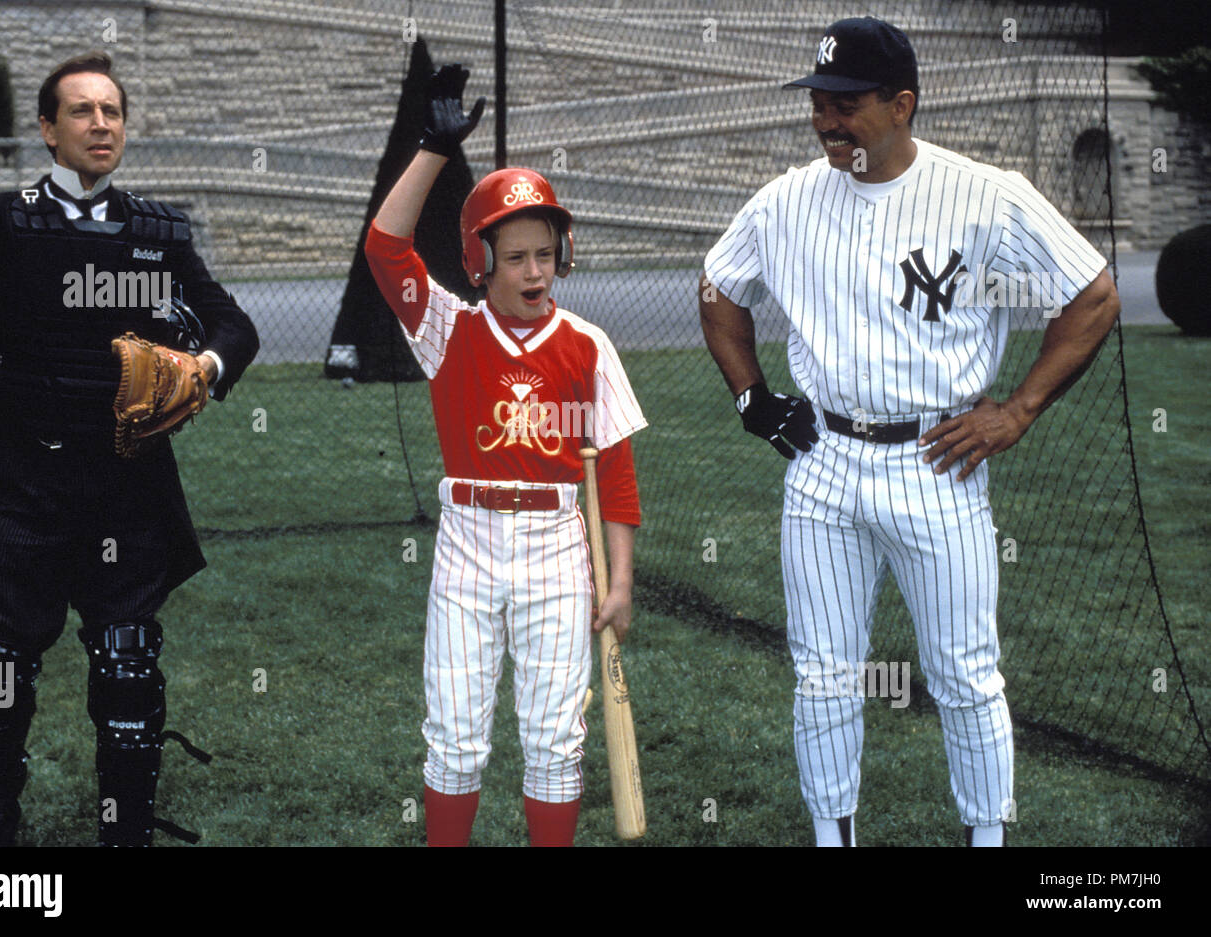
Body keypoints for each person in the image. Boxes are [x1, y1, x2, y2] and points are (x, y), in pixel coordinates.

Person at [698, 17, 1120, 846]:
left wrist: (1019, 409)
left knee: (964, 675)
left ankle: (987, 839)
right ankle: (832, 835)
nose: (825, 118)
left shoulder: (985, 195)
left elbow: (1095, 294)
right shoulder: (786, 201)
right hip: (821, 460)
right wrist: (752, 397)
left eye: (845, 103)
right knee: (823, 675)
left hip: (937, 462)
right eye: (818, 100)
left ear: (902, 104)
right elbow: (718, 288)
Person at [0, 51, 260, 846]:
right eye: (81, 111)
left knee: (129, 658)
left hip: (123, 475)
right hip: (10, 471)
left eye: (112, 111)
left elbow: (235, 325)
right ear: (47, 129)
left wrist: (200, 366)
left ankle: (125, 827)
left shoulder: (156, 231)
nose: (101, 124)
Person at [365, 64, 647, 846]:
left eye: (546, 254)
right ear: (479, 260)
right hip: (468, 539)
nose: (533, 271)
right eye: (515, 256)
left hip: (560, 546)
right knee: (455, 731)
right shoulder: (448, 330)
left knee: (556, 738)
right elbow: (386, 248)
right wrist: (431, 150)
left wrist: (619, 583)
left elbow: (615, 478)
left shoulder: (587, 345)